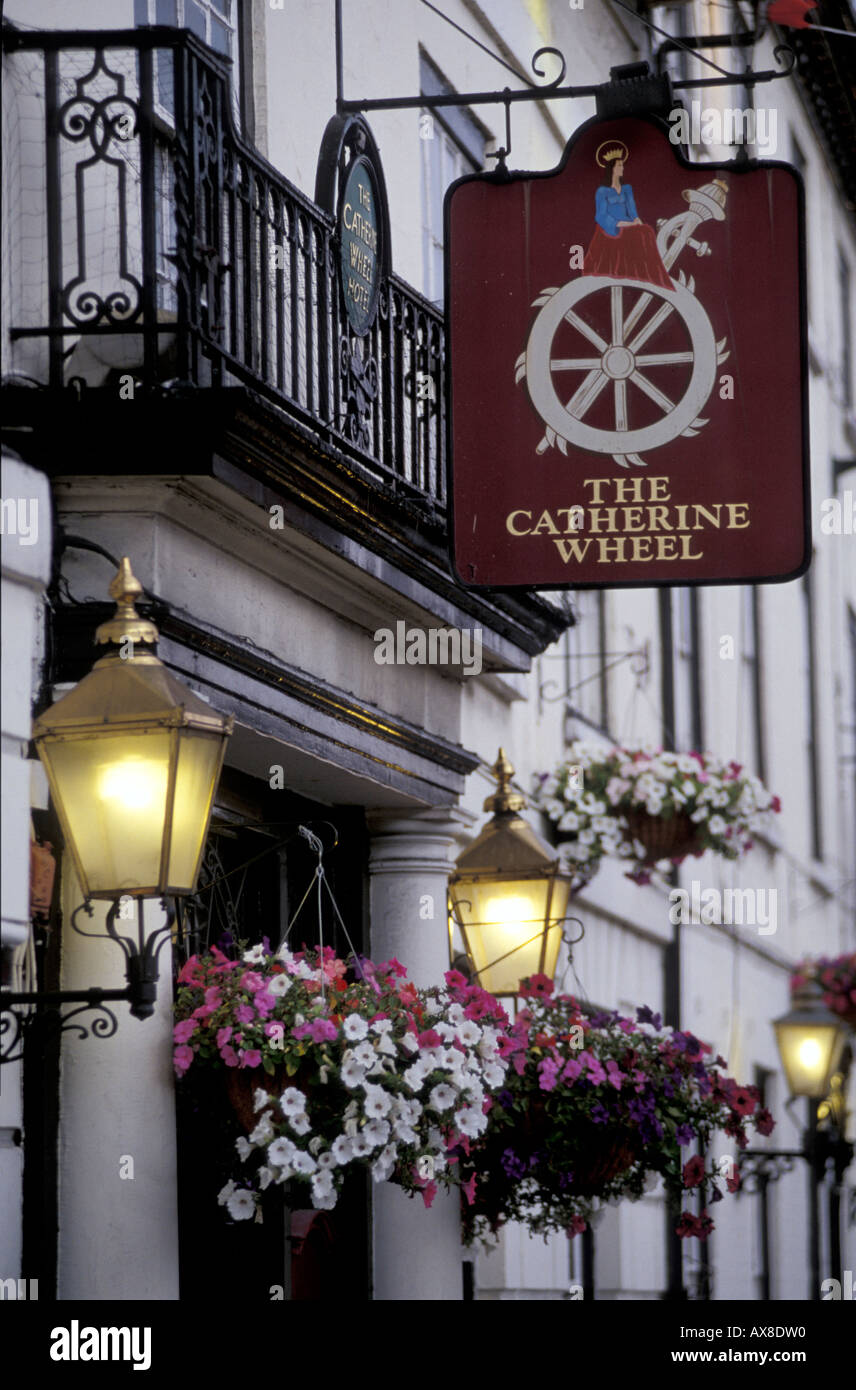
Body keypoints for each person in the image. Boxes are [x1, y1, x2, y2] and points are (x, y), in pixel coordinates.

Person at [582, 141, 673, 289]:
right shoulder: (602, 191)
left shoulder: (626, 189)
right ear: (612, 168)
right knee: (640, 232)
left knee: (646, 231)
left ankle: (649, 275)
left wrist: (637, 221)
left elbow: (632, 211)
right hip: (610, 230)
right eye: (619, 165)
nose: (622, 168)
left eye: (622, 165)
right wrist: (622, 224)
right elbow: (601, 216)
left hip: (628, 226)